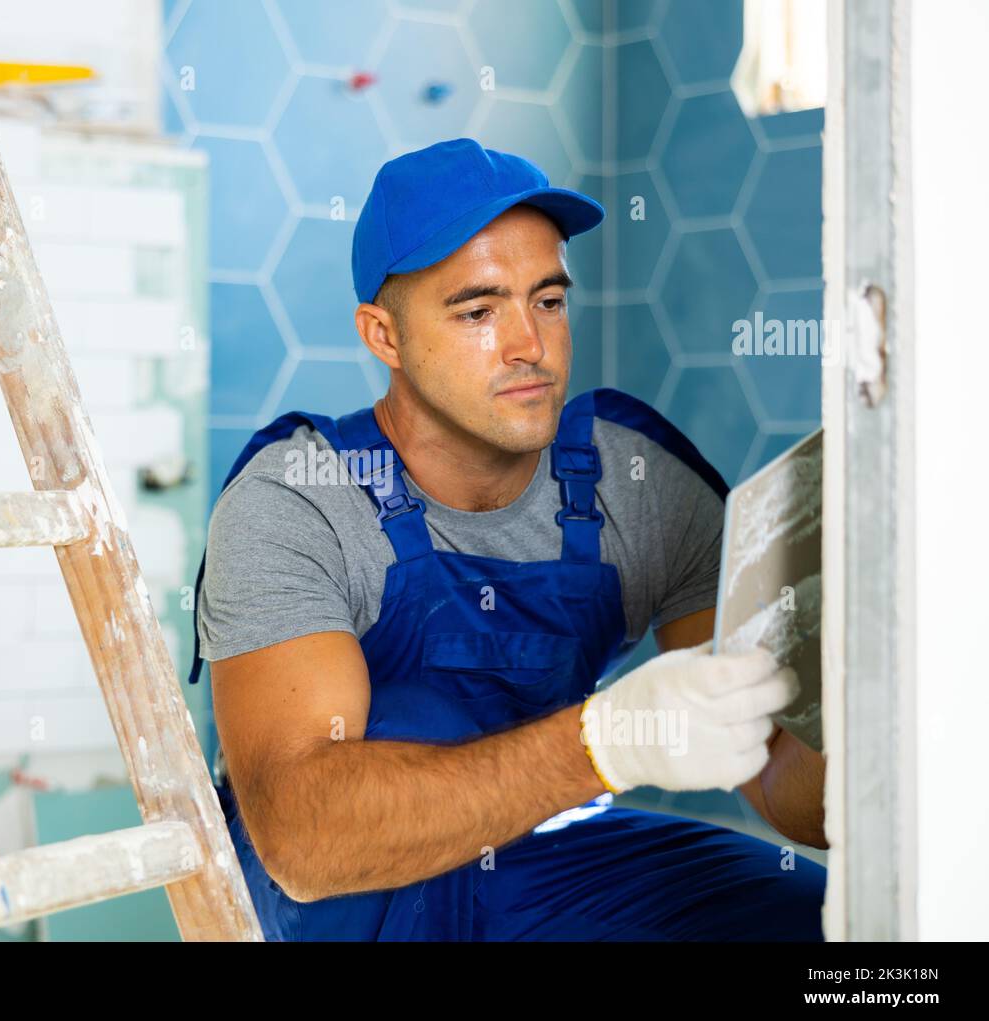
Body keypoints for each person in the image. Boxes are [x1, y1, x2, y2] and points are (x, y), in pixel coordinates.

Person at [189, 138, 827, 941]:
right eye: (479, 311)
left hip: (541, 854)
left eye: (549, 301)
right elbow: (303, 839)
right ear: (383, 336)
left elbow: (788, 785)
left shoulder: (637, 482)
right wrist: (605, 744)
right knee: (413, 723)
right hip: (343, 902)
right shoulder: (298, 501)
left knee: (830, 932)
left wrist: (853, 676)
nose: (530, 344)